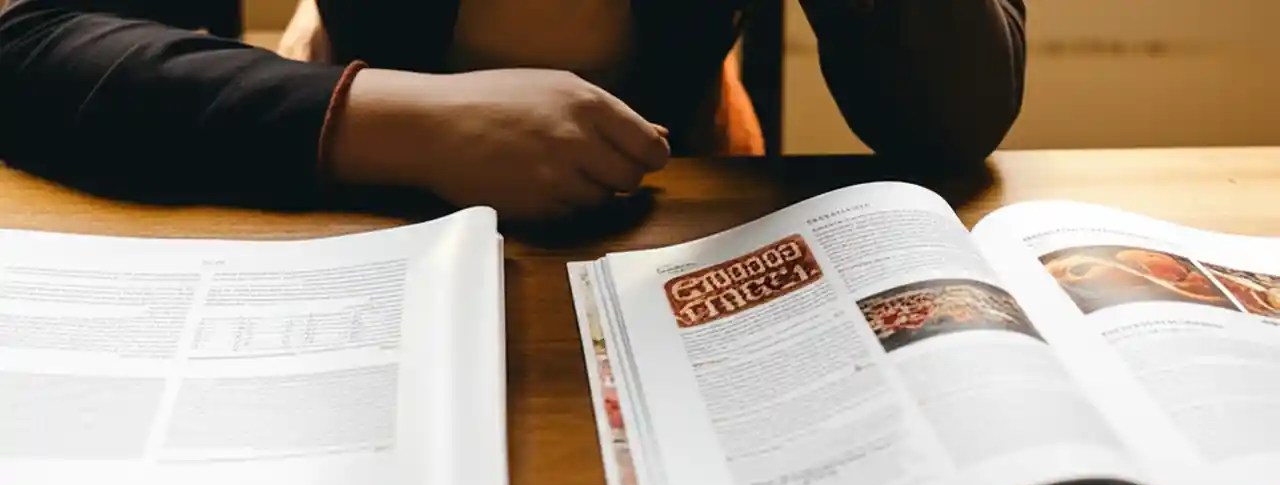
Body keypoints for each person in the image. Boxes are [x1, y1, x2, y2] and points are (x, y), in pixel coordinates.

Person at [0, 1, 1026, 218]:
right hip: (338, 191)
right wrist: (399, 122)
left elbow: (948, 119)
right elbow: (32, 42)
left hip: (681, 213)